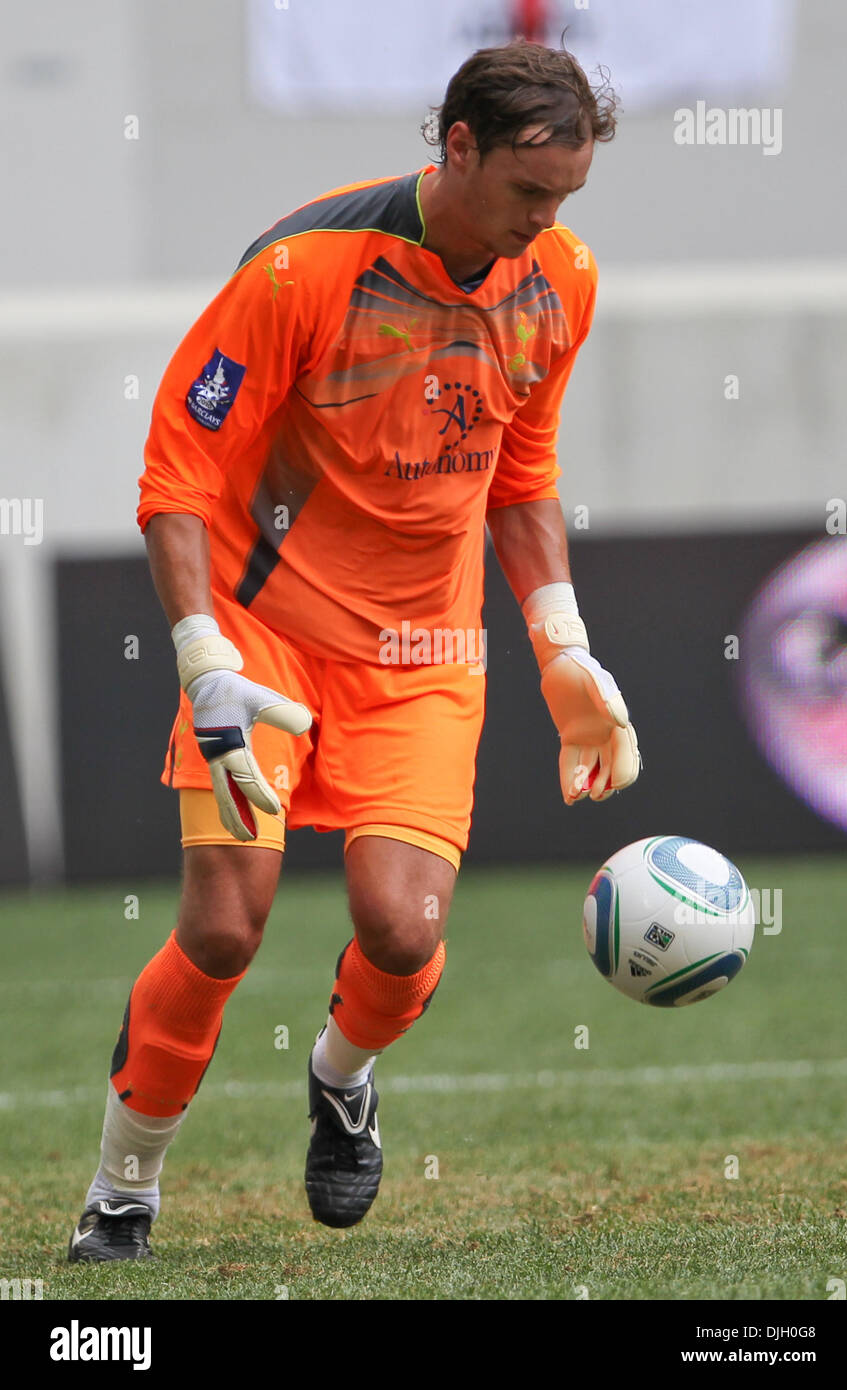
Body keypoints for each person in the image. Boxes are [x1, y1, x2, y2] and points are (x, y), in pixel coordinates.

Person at [68, 37, 639, 1263]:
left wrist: (561, 649)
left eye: (565, 201)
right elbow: (177, 475)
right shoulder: (300, 269)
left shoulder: (560, 278)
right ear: (456, 147)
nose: (544, 224)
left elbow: (522, 473)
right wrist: (200, 655)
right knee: (225, 929)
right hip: (261, 640)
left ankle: (339, 1079)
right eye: (528, 193)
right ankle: (123, 1192)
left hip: (425, 656)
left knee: (401, 929)